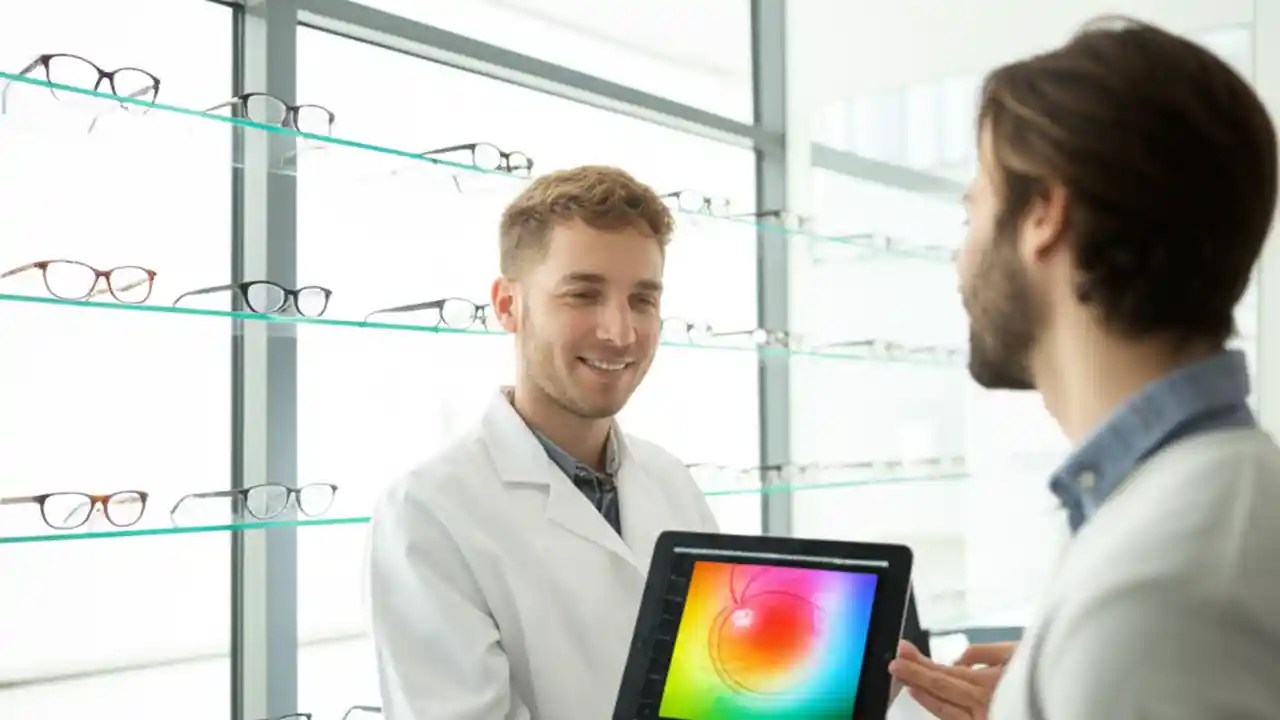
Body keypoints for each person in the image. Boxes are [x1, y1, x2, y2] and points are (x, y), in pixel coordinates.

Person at [889, 15, 1280, 719]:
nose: (961, 255)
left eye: (973, 211)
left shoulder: (1153, 597)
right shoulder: (1197, 510)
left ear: (1045, 216)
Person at [365, 165, 720, 719]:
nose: (620, 332)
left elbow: (712, 700)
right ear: (508, 305)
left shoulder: (672, 481)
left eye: (643, 300)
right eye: (583, 294)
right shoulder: (427, 513)